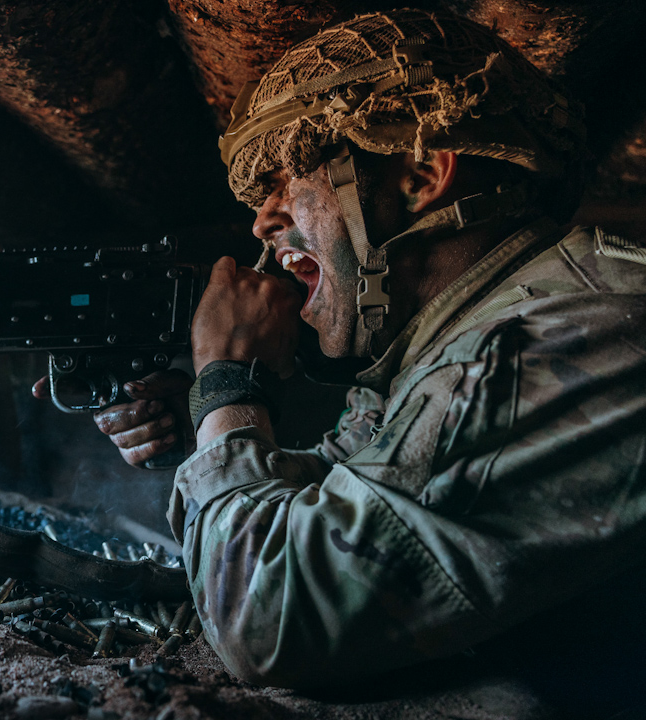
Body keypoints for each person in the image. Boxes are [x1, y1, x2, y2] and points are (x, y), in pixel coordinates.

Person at [84, 7, 646, 705]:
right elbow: (354, 505)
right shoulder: (454, 341)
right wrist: (222, 413)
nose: (263, 221)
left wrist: (228, 389)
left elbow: (266, 620)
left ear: (418, 174)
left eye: (293, 178)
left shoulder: (558, 338)